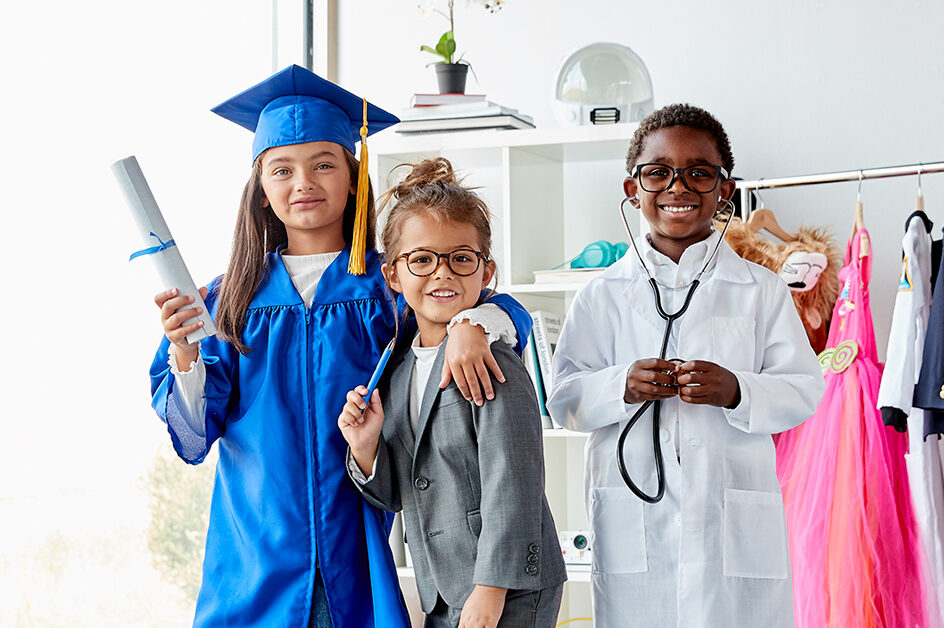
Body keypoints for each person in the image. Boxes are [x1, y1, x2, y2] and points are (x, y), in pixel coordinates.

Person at [149, 66, 531, 628]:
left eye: (324, 164)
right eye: (282, 169)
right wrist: (184, 356)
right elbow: (194, 436)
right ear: (261, 192)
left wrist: (475, 322)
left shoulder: (390, 284)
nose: (304, 182)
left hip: (356, 538)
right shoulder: (227, 300)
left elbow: (498, 308)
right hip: (254, 550)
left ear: (354, 178)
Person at [546, 104, 824, 627]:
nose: (678, 187)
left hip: (732, 526)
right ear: (633, 190)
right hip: (634, 523)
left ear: (725, 190)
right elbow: (564, 400)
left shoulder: (760, 290)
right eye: (658, 173)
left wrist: (737, 390)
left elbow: (804, 389)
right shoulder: (602, 294)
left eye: (699, 173)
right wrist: (621, 385)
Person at [337, 158, 567, 628]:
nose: (442, 274)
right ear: (393, 276)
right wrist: (365, 448)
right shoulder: (398, 370)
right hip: (444, 586)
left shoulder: (489, 358)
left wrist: (491, 589)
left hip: (504, 587)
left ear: (486, 271)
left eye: (461, 258)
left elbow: (515, 479)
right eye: (422, 260)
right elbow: (400, 494)